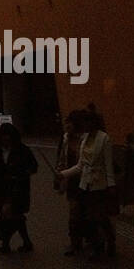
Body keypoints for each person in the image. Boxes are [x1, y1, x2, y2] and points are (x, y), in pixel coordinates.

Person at [60, 110, 116, 259]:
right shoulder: (84, 139)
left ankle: (108, 241)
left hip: (100, 184)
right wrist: (63, 174)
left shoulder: (104, 139)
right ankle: (97, 246)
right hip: (85, 184)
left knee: (99, 217)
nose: (84, 125)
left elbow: (108, 165)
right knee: (90, 217)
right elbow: (80, 165)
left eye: (87, 122)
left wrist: (111, 185)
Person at [0, 123, 38, 252]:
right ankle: (23, 242)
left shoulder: (22, 150)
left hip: (18, 188)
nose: (6, 139)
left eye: (8, 136)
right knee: (11, 216)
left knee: (13, 215)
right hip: (2, 188)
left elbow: (33, 166)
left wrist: (21, 174)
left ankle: (9, 244)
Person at [55, 109, 88, 255]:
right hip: (73, 181)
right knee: (74, 212)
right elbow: (63, 159)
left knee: (87, 212)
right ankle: (75, 242)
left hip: (87, 180)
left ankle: (91, 240)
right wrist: (61, 177)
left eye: (69, 123)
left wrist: (62, 174)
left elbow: (83, 165)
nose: (66, 126)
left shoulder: (86, 139)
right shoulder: (66, 138)